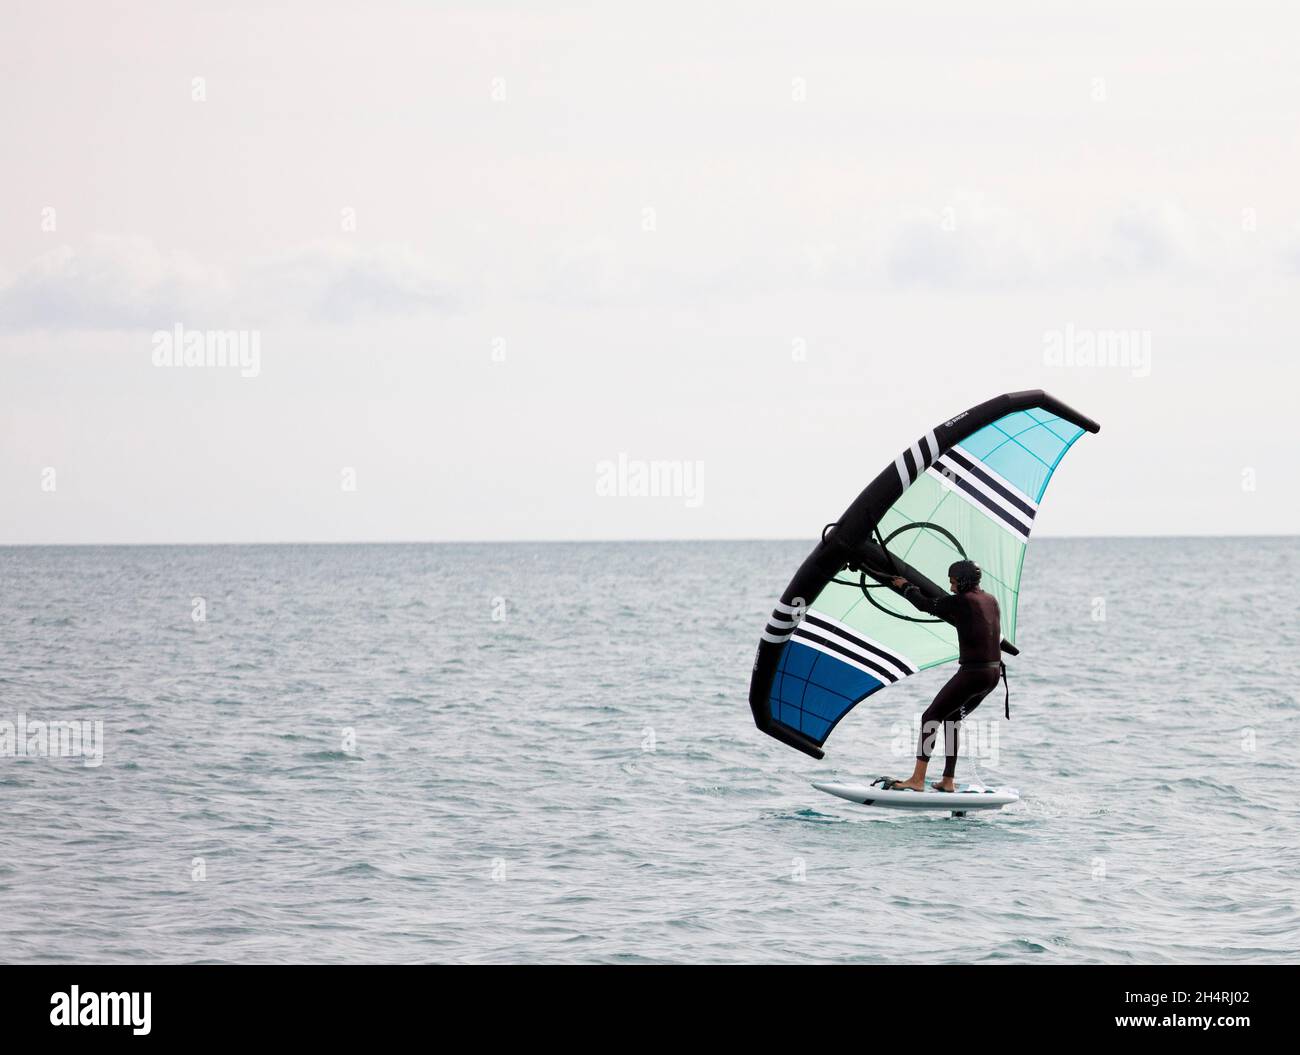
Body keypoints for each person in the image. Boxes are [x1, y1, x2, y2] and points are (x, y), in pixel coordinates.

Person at [885, 560, 1002, 792]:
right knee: (951, 719)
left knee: (930, 717)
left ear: (964, 582)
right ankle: (948, 780)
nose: (951, 587)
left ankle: (917, 779)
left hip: (973, 673)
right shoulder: (991, 600)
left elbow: (924, 605)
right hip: (993, 674)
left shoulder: (962, 601)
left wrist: (905, 586)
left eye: (953, 582)